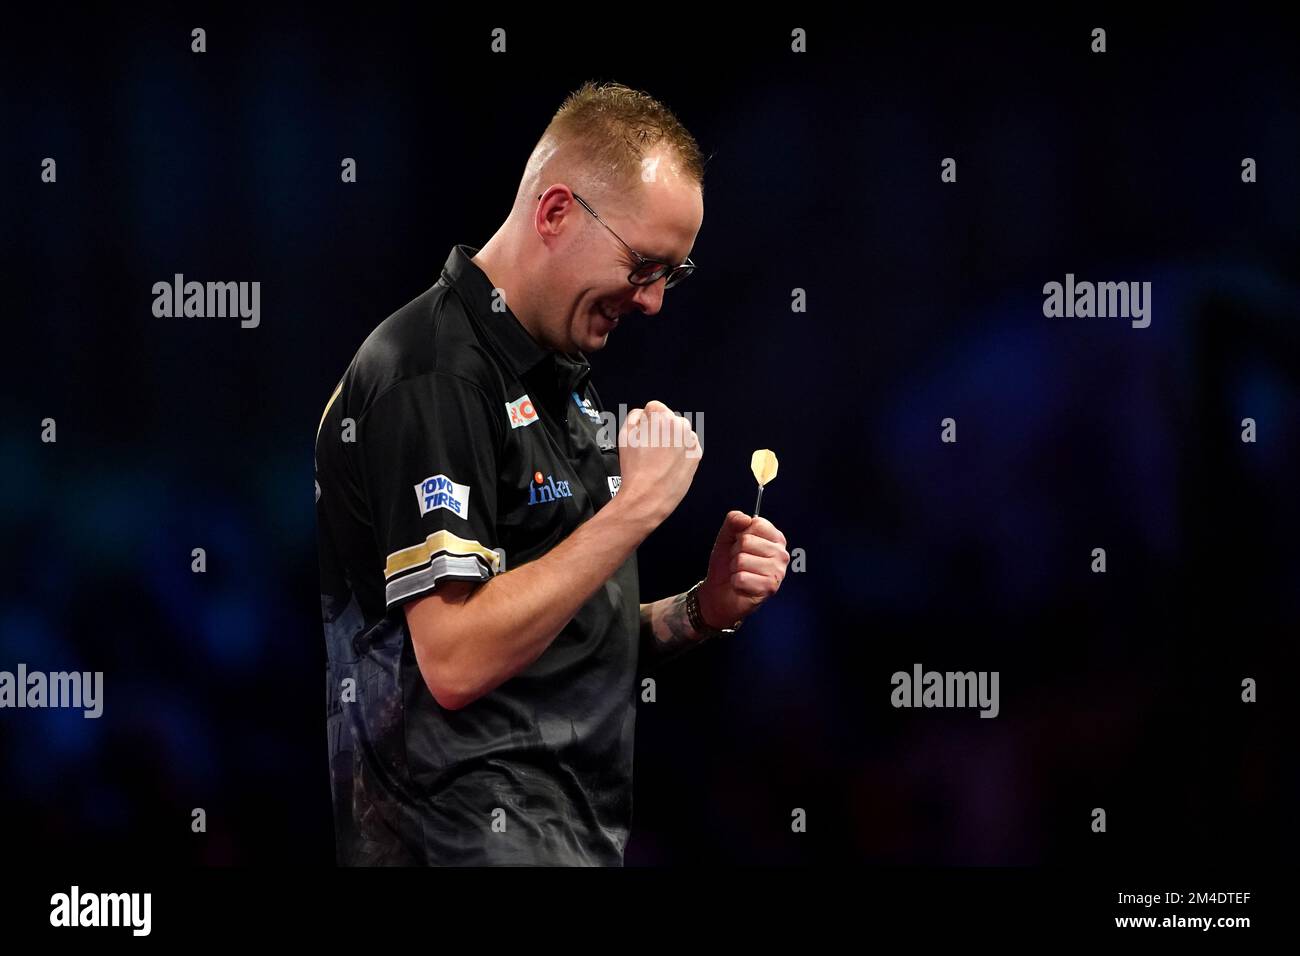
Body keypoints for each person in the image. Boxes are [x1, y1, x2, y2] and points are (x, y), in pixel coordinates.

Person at [314, 80, 789, 865]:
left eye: (674, 272)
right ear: (556, 211)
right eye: (644, 265)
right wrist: (635, 511)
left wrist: (702, 608)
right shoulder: (432, 374)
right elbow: (458, 658)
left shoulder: (552, 378)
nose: (655, 301)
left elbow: (556, 639)